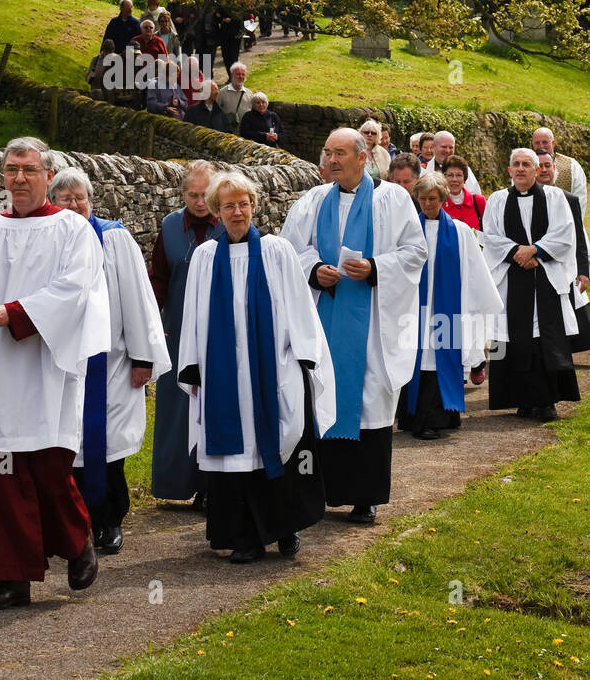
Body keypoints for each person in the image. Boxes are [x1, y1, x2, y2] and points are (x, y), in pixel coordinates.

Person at [0, 137, 111, 609]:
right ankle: (11, 578)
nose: (19, 179)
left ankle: (76, 542)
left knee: (49, 469)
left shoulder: (73, 229)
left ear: (48, 176)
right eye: (11, 170)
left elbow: (77, 291)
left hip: (45, 368)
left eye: (29, 170)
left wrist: (14, 313)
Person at [177, 170, 336, 562]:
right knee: (235, 456)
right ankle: (244, 536)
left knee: (280, 442)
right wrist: (193, 367)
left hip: (273, 368)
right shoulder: (205, 257)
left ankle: (285, 529)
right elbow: (194, 315)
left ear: (253, 206)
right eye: (229, 205)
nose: (237, 212)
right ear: (216, 211)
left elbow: (300, 306)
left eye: (244, 204)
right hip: (223, 375)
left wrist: (304, 356)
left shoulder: (275, 250)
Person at [281, 128, 427, 525]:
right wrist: (314, 270)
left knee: (368, 403)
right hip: (323, 318)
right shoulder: (312, 200)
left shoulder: (392, 199)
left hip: (373, 325)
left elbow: (416, 252)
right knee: (319, 398)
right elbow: (288, 249)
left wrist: (376, 268)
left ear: (363, 157)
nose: (330, 159)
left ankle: (364, 496)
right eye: (327, 151)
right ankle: (320, 491)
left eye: (339, 153)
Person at [47, 168, 171, 554]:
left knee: (108, 446)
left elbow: (137, 299)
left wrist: (142, 357)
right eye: (64, 198)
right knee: (65, 447)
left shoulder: (114, 238)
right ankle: (69, 528)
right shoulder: (47, 238)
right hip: (61, 365)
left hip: (111, 364)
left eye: (79, 197)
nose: (73, 204)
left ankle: (109, 521)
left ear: (91, 200)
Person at [396, 172, 502, 441]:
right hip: (413, 310)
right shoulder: (406, 229)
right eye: (422, 199)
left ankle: (437, 419)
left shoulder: (460, 231)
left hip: (447, 310)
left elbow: (473, 269)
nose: (427, 204)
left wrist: (479, 304)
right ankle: (412, 417)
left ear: (443, 199)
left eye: (432, 198)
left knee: (437, 360)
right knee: (416, 360)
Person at [482, 148, 581, 422]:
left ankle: (547, 401)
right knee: (515, 339)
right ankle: (523, 401)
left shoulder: (554, 197)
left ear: (537, 170)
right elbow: (489, 236)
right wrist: (518, 251)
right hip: (512, 278)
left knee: (543, 339)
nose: (521, 169)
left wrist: (536, 251)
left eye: (527, 164)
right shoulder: (498, 200)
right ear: (510, 170)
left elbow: (564, 234)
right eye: (517, 164)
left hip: (544, 278)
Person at [148, 161, 222, 504]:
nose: (199, 201)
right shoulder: (170, 226)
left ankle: (212, 487)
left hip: (218, 331)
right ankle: (177, 484)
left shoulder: (227, 223)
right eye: (192, 195)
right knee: (178, 408)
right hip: (177, 330)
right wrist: (153, 323)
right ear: (183, 194)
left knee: (215, 408)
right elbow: (159, 277)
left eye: (205, 194)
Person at [536, 151, 590, 356]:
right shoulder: (517, 199)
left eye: (547, 165)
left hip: (564, 269)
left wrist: (583, 271)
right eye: (539, 166)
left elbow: (579, 236)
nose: (543, 170)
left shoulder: (570, 199)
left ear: (554, 169)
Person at [531, 127, 587, 220]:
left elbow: (580, 199)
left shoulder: (571, 165)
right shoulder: (525, 166)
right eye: (537, 143)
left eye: (545, 142)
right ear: (533, 144)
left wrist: (574, 225)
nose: (541, 146)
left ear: (553, 143)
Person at [423, 131, 482, 195]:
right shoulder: (423, 170)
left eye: (451, 147)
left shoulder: (464, 169)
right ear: (433, 146)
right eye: (444, 147)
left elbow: (474, 194)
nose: (448, 151)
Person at [442, 156, 485, 231]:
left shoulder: (478, 201)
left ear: (464, 179)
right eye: (450, 175)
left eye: (459, 175)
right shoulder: (438, 203)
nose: (454, 179)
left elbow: (488, 230)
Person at [217, 62, 253, 130]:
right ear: (231, 75)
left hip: (246, 132)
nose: (241, 77)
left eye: (243, 74)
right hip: (228, 132)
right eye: (238, 74)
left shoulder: (249, 93)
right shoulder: (222, 93)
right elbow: (215, 113)